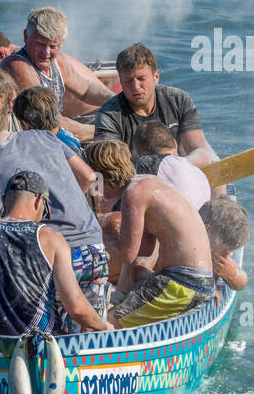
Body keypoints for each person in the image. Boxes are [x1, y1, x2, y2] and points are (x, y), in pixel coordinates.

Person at [0, 87, 108, 328]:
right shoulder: (45, 137)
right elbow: (87, 176)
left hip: (50, 256)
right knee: (88, 334)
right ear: (9, 113)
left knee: (49, 338)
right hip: (93, 248)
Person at [0, 171, 109, 336]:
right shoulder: (51, 238)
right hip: (41, 347)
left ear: (3, 201)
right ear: (39, 201)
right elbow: (76, 308)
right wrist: (104, 327)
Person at [86, 139, 216, 328]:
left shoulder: (134, 194)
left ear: (103, 176)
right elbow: (144, 250)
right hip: (200, 281)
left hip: (182, 285)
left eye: (95, 182)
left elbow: (126, 254)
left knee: (103, 325)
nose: (95, 190)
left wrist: (92, 236)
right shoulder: (147, 182)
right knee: (136, 273)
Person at [0, 7, 114, 142]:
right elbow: (49, 121)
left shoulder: (58, 61)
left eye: (53, 46)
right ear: (26, 36)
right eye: (40, 44)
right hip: (29, 141)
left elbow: (86, 90)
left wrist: (119, 100)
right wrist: (108, 129)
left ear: (61, 43)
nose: (46, 52)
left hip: (53, 130)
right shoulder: (19, 66)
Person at [94, 43, 217, 168]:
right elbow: (112, 167)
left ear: (156, 76)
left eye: (141, 78)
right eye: (128, 80)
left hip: (177, 169)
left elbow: (200, 152)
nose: (135, 87)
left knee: (211, 159)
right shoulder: (108, 115)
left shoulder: (179, 100)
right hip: (137, 179)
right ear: (121, 81)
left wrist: (172, 167)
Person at [132, 120, 211, 211]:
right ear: (175, 143)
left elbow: (136, 202)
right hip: (202, 222)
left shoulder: (147, 162)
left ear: (141, 154)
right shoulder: (197, 171)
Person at [202, 197, 250, 291]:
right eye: (225, 251)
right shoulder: (184, 248)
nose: (228, 255)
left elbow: (241, 283)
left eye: (231, 251)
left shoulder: (217, 255)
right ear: (206, 231)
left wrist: (231, 274)